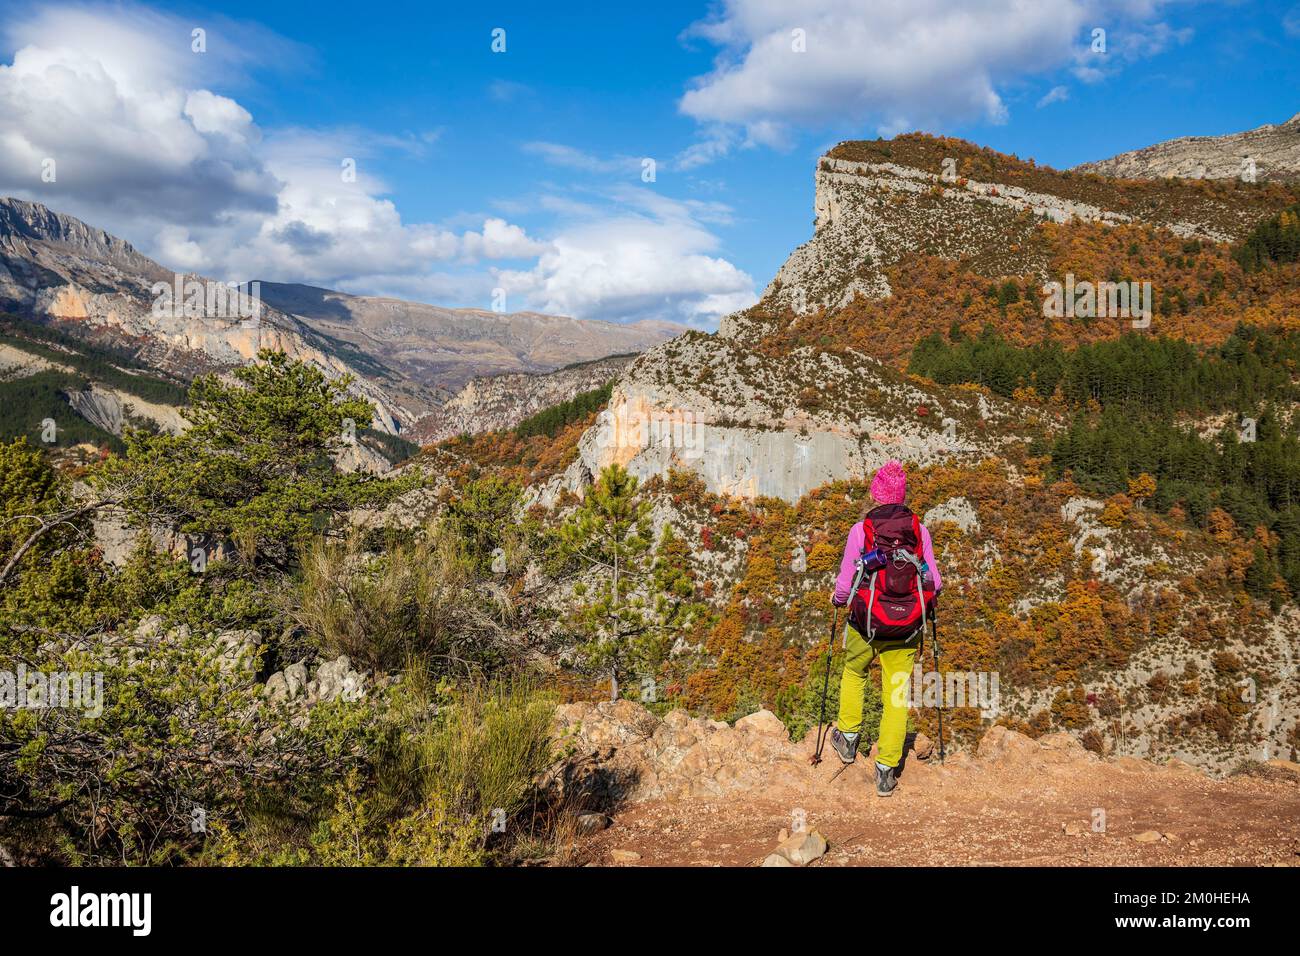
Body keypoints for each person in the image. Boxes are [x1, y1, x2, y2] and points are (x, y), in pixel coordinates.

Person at [828, 460, 942, 796]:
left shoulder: (860, 530)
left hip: (865, 622)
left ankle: (848, 740)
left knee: (854, 671)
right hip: (906, 626)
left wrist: (838, 600)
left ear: (877, 495)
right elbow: (934, 581)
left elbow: (846, 582)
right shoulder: (919, 532)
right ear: (902, 497)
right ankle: (886, 770)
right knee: (896, 692)